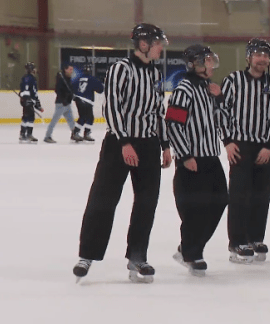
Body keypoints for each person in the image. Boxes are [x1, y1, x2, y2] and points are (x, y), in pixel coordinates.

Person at [72, 23, 172, 283]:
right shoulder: (121, 69)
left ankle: (137, 256)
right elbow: (112, 107)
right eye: (158, 43)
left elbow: (158, 112)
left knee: (146, 203)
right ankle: (87, 255)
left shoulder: (154, 73)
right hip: (120, 143)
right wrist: (125, 142)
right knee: (103, 199)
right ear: (143, 44)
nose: (162, 48)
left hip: (149, 145)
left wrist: (165, 145)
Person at [218, 38, 270, 264]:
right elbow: (221, 111)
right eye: (258, 55)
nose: (262, 59)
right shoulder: (233, 80)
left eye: (266, 55)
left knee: (261, 194)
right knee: (239, 194)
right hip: (240, 145)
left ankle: (256, 237)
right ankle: (237, 241)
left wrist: (269, 144)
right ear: (249, 57)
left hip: (264, 146)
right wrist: (227, 141)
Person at [166, 44, 228, 276]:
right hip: (192, 160)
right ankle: (192, 253)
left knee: (220, 201)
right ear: (194, 65)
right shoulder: (184, 90)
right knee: (194, 210)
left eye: (212, 61)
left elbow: (220, 120)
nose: (211, 65)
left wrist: (220, 98)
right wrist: (184, 155)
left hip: (211, 157)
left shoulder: (207, 89)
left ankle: (188, 248)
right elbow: (173, 123)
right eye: (206, 61)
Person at [44, 64, 82, 143]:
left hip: (67, 103)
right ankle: (47, 136)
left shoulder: (68, 79)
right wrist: (63, 99)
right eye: (70, 69)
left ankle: (74, 134)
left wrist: (71, 96)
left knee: (71, 120)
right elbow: (58, 90)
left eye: (72, 69)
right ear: (65, 70)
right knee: (54, 120)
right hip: (61, 103)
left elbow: (69, 89)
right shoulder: (61, 79)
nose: (71, 71)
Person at [73, 64, 104, 142]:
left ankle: (78, 133)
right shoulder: (92, 79)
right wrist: (100, 82)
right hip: (86, 100)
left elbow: (73, 87)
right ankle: (82, 133)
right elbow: (100, 90)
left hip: (78, 99)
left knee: (83, 116)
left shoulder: (78, 78)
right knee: (88, 117)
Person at [18, 62, 44, 142]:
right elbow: (34, 92)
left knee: (25, 117)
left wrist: (23, 97)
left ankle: (22, 134)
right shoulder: (32, 79)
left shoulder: (24, 78)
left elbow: (22, 90)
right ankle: (29, 134)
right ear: (32, 70)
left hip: (24, 101)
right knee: (30, 118)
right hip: (29, 101)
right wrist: (37, 104)